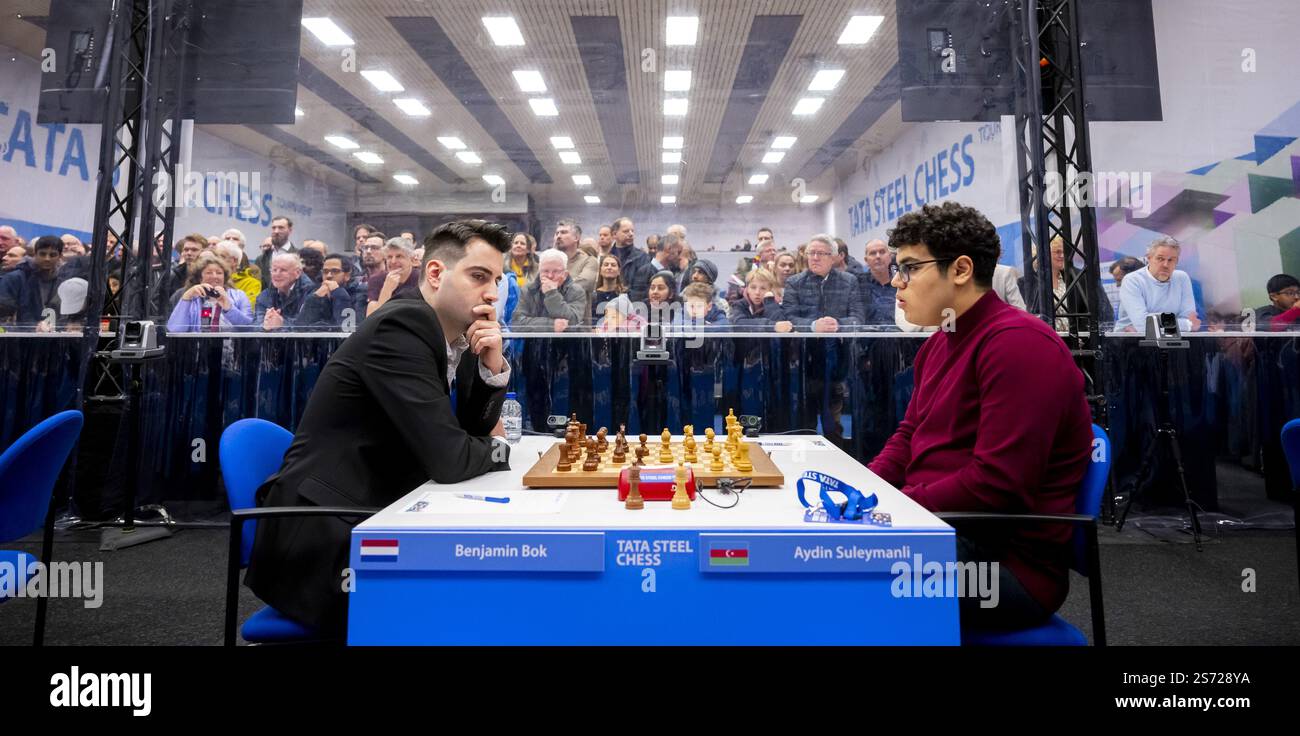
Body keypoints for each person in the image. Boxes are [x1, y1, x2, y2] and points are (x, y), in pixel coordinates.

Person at [245, 219, 514, 637]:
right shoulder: (403, 326)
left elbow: (465, 431)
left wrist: (491, 364)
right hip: (325, 537)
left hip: (371, 509)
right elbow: (450, 458)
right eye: (479, 276)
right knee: (474, 600)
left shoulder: (444, 332)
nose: (492, 293)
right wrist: (501, 451)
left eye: (496, 279)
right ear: (436, 273)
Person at [870, 201, 1093, 630]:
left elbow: (998, 485)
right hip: (943, 530)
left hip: (1003, 564)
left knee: (829, 577)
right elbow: (908, 435)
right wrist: (863, 491)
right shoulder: (940, 342)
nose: (897, 282)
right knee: (817, 557)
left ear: (960, 269)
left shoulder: (1019, 345)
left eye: (911, 268)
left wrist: (892, 511)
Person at [1114, 236, 1200, 332]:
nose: (1165, 265)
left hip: (1172, 340)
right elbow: (1143, 325)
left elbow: (1189, 319)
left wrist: (1150, 323)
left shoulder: (1182, 278)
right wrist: (1185, 325)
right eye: (1160, 259)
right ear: (1149, 258)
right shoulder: (1132, 280)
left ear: (1176, 262)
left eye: (1171, 260)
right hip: (1130, 342)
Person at [780, 234, 866, 332]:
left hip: (840, 343)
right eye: (811, 253)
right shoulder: (793, 283)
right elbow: (788, 318)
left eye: (821, 253)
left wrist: (838, 324)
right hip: (806, 344)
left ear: (833, 258)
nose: (815, 258)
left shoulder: (849, 281)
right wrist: (813, 326)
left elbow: (858, 318)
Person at [165, 253, 254, 332]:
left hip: (230, 348)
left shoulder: (239, 295)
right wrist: (186, 298)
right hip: (197, 348)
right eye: (209, 273)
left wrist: (228, 308)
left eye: (219, 273)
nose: (214, 276)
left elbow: (249, 328)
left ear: (225, 277)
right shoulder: (192, 297)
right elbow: (175, 329)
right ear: (200, 278)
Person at [510, 249, 588, 332]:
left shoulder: (576, 291)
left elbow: (573, 321)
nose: (550, 276)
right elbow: (516, 323)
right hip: (534, 343)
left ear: (565, 274)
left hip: (567, 343)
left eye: (556, 271)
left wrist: (551, 293)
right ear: (539, 272)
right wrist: (550, 325)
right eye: (545, 271)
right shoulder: (528, 290)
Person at [0, 235, 64, 325]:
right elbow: (3, 315)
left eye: (52, 255)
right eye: (42, 254)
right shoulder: (15, 278)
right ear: (35, 254)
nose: (47, 259)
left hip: (56, 336)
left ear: (60, 256)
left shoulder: (64, 281)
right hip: (19, 336)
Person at [299, 253, 369, 329]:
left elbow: (349, 328)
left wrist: (338, 294)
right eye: (325, 272)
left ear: (347, 275)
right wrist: (315, 298)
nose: (329, 276)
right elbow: (300, 327)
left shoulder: (360, 293)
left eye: (335, 271)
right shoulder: (314, 291)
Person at [254, 252, 315, 329]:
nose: (277, 274)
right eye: (274, 270)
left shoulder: (311, 294)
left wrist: (282, 324)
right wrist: (265, 324)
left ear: (298, 273)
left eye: (283, 270)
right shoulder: (265, 295)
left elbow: (307, 326)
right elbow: (255, 324)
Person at [367, 237, 421, 315]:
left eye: (399, 256)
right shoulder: (376, 279)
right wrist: (387, 289)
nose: (393, 261)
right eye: (389, 257)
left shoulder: (422, 279)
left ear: (412, 260)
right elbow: (371, 318)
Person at [728, 267, 789, 332]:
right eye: (753, 287)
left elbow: (781, 324)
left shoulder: (775, 304)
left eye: (763, 288)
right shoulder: (739, 305)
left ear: (770, 290)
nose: (757, 292)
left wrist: (770, 302)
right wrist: (771, 326)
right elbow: (738, 324)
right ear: (747, 288)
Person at [553, 218, 598, 301]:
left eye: (563, 232)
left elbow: (582, 285)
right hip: (548, 313)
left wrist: (551, 287)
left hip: (578, 313)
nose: (558, 236)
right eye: (557, 233)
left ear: (576, 238)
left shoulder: (589, 261)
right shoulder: (549, 262)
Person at [213, 239, 262, 308]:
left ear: (235, 261)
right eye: (215, 257)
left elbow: (248, 309)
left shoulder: (252, 284)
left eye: (222, 257)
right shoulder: (211, 278)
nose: (217, 261)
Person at [858, 239, 896, 325]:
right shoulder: (857, 284)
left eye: (882, 252)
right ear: (866, 260)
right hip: (868, 336)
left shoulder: (901, 282)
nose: (878, 256)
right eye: (873, 253)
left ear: (890, 257)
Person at [256, 216, 297, 290]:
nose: (276, 231)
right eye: (274, 228)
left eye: (281, 228)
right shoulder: (261, 259)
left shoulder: (299, 256)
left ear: (290, 230)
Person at [591, 254, 627, 320]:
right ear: (600, 270)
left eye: (613, 265)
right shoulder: (593, 296)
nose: (609, 267)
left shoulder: (625, 294)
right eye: (606, 265)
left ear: (619, 271)